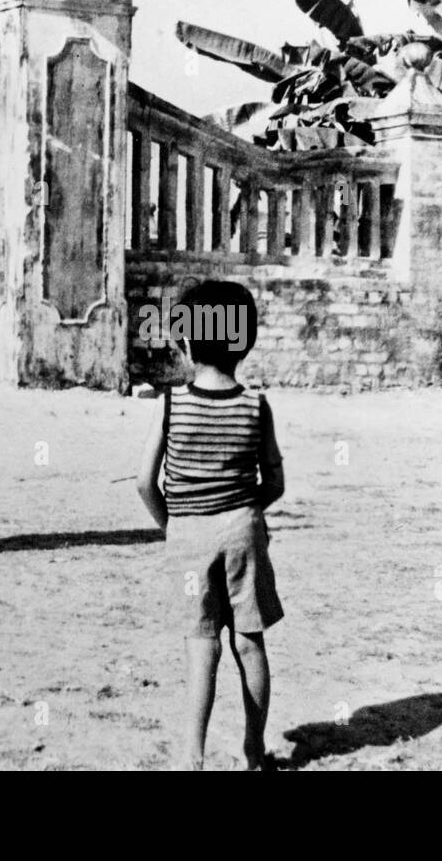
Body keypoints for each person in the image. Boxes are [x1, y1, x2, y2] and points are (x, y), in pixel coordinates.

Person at [136, 280, 286, 770]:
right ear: (245, 343)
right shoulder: (255, 405)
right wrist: (246, 509)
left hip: (188, 534)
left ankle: (191, 755)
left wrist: (172, 523)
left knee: (201, 646)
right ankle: (253, 753)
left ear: (185, 342)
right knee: (250, 642)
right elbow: (276, 481)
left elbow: (144, 482)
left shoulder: (172, 404)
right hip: (243, 532)